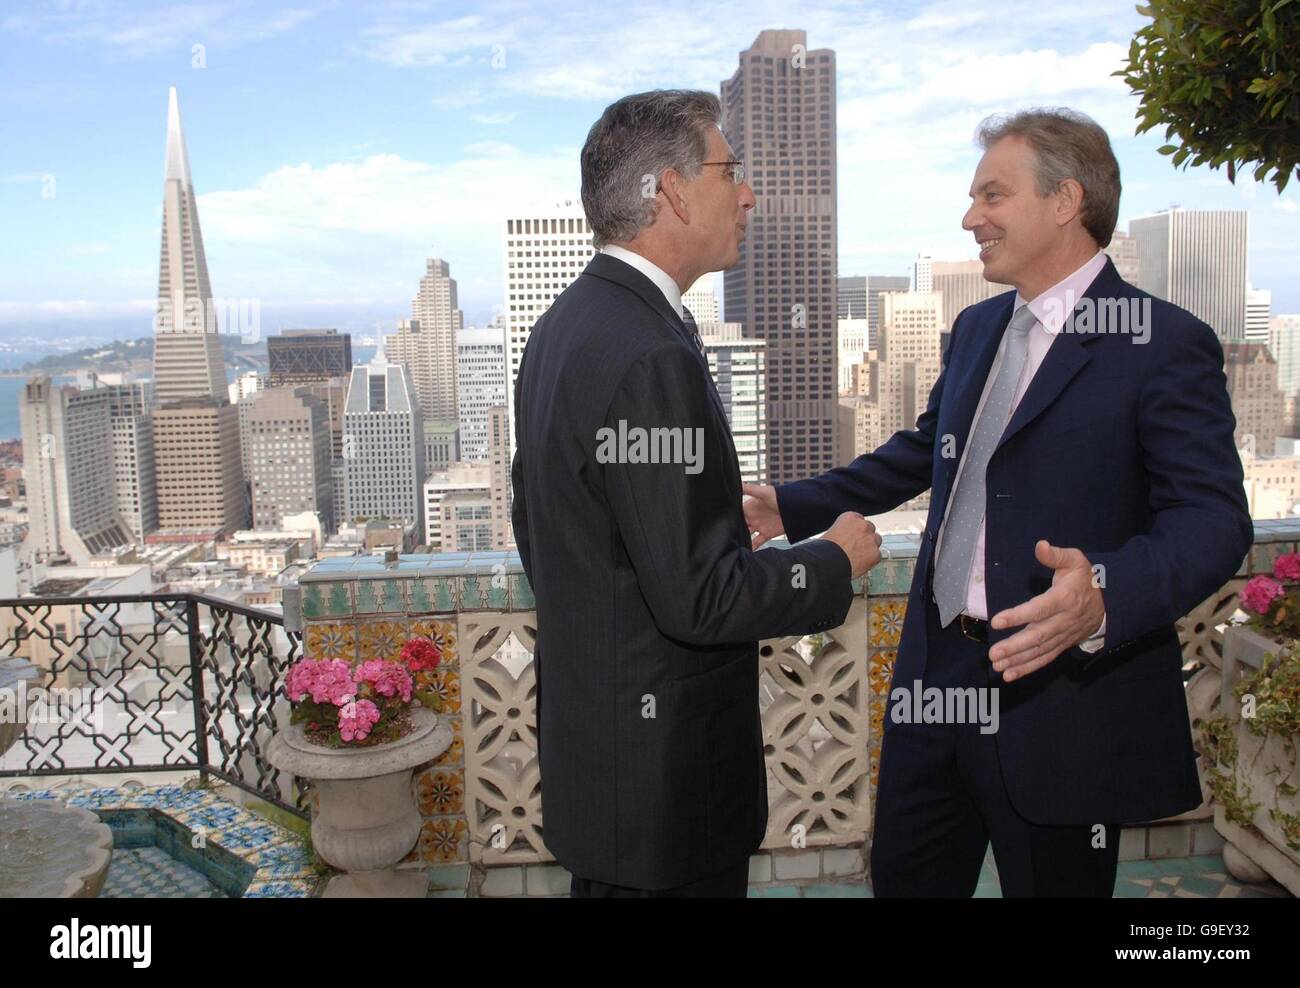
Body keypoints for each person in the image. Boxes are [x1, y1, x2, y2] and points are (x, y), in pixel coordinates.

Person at [743, 108, 1253, 896]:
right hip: (936, 670)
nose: (969, 218)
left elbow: (1215, 524)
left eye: (992, 195)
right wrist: (792, 505)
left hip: (1063, 693)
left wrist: (1104, 596)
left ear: (1065, 201)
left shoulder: (1164, 342)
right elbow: (926, 448)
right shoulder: (979, 327)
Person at [511, 89, 881, 898]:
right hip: (666, 787)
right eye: (730, 170)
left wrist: (687, 539)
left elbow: (551, 529)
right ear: (671, 191)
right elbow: (700, 603)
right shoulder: (650, 353)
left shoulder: (565, 326)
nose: (746, 193)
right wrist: (830, 560)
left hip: (601, 765)